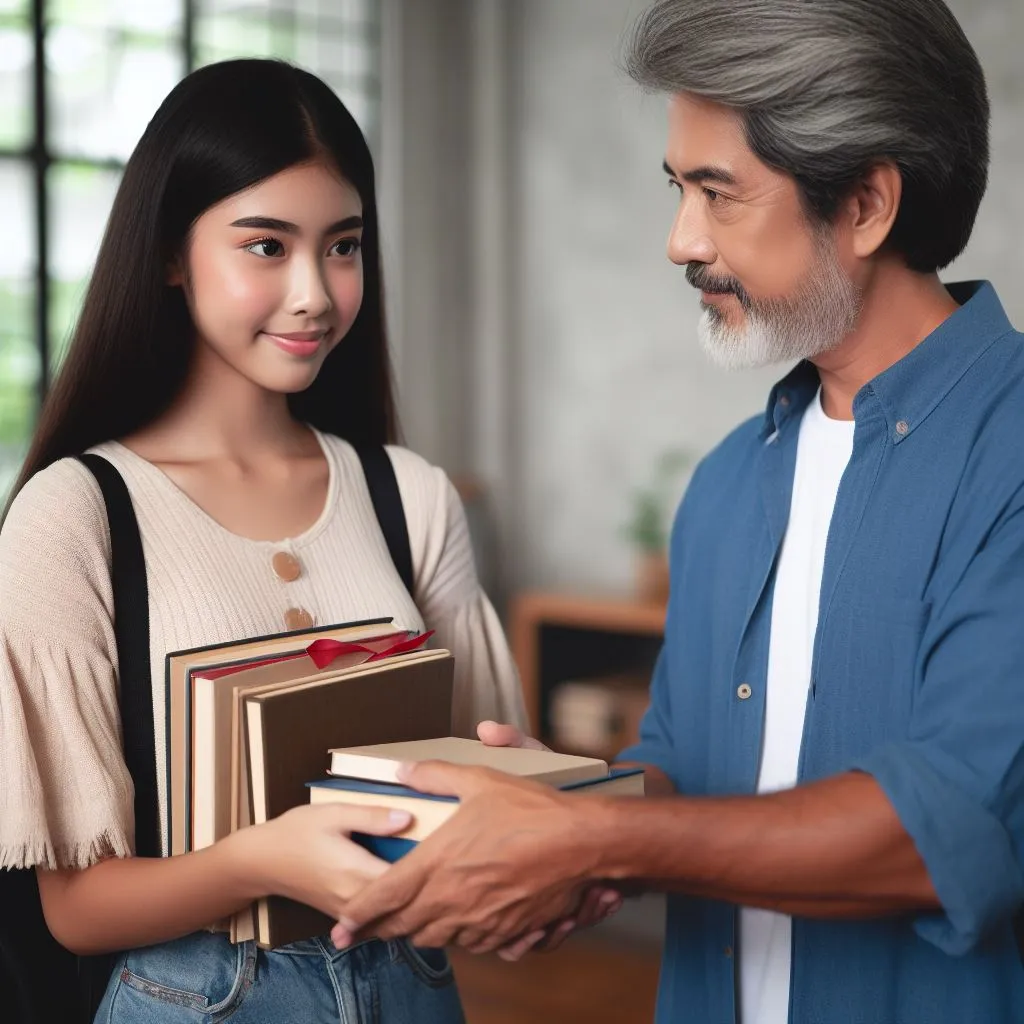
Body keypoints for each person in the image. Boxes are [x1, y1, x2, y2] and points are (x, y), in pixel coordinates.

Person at [330, 2, 1024, 1022]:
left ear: (867, 204)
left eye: (717, 192)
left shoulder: (1008, 455)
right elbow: (679, 769)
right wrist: (560, 808)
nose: (680, 240)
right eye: (678, 189)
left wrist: (594, 839)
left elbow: (944, 832)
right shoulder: (729, 481)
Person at [0, 58, 526, 1023]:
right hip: (194, 996)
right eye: (266, 246)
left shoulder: (411, 496)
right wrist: (262, 860)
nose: (314, 293)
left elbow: (481, 785)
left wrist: (516, 791)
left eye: (343, 245)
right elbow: (75, 909)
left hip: (415, 984)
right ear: (171, 253)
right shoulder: (74, 514)